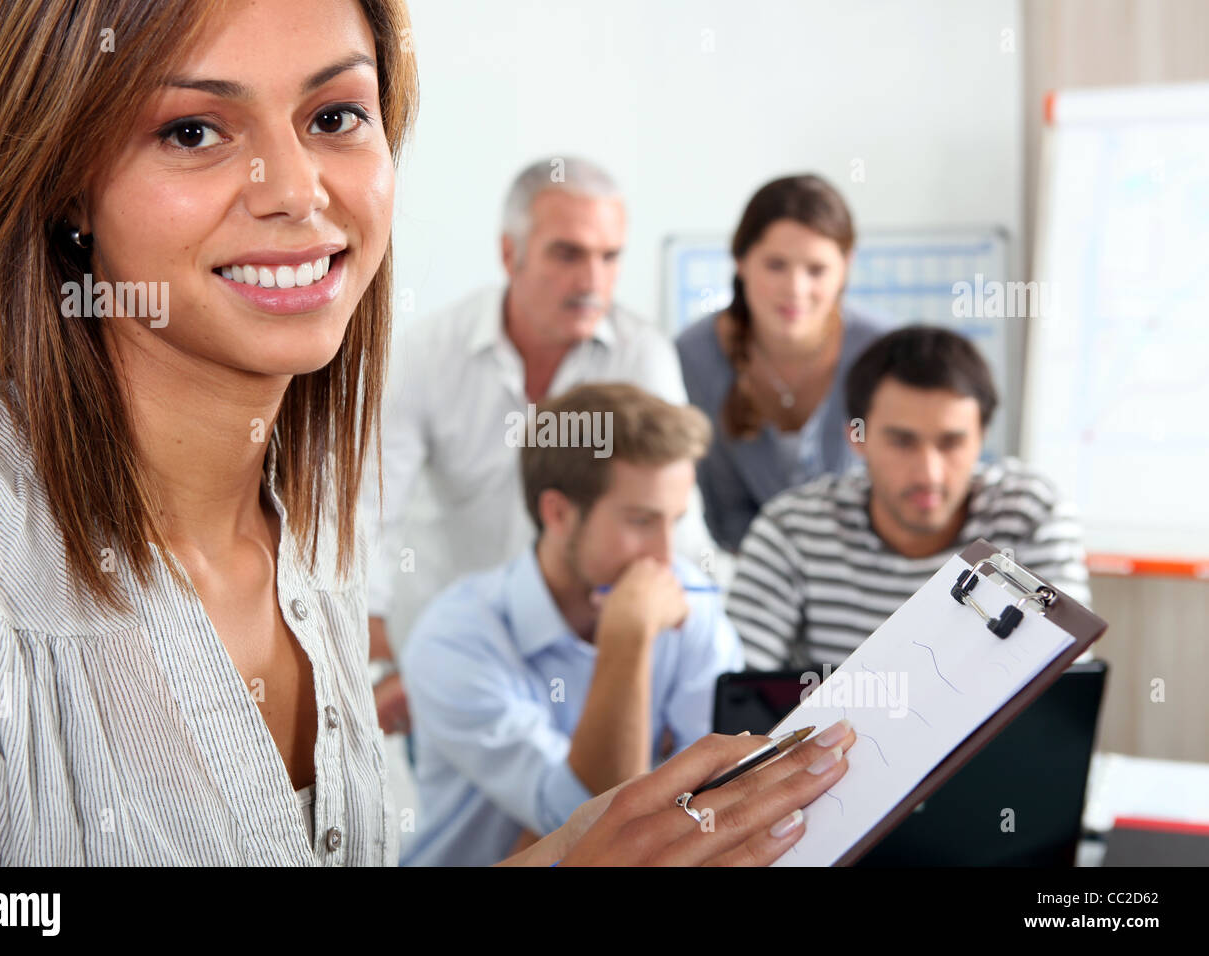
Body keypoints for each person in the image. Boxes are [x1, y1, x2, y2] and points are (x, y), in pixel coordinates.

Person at [0, 0, 853, 867]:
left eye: (333, 118)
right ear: (64, 185)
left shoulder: (310, 533)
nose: (296, 190)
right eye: (192, 130)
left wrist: (579, 850)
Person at [361, 156, 713, 738]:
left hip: (586, 656)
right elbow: (364, 515)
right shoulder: (428, 353)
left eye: (610, 257)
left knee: (591, 817)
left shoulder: (642, 356)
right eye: (567, 253)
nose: (592, 281)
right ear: (510, 254)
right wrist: (395, 661)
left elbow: (679, 527)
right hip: (459, 653)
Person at [399, 384, 745, 866]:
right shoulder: (455, 638)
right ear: (558, 514)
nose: (665, 557)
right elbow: (595, 827)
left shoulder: (688, 603)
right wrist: (627, 639)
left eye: (675, 521)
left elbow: (723, 793)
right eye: (642, 521)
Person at [726, 325, 1092, 671]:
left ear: (981, 437)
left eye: (952, 442)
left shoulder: (1030, 514)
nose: (929, 474)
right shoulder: (792, 528)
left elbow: (1063, 682)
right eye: (902, 442)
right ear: (856, 438)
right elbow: (737, 689)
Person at [676, 174, 886, 554]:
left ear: (846, 266)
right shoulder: (690, 357)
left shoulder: (884, 352)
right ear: (741, 262)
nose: (795, 288)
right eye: (775, 265)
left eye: (816, 269)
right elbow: (700, 507)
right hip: (739, 575)